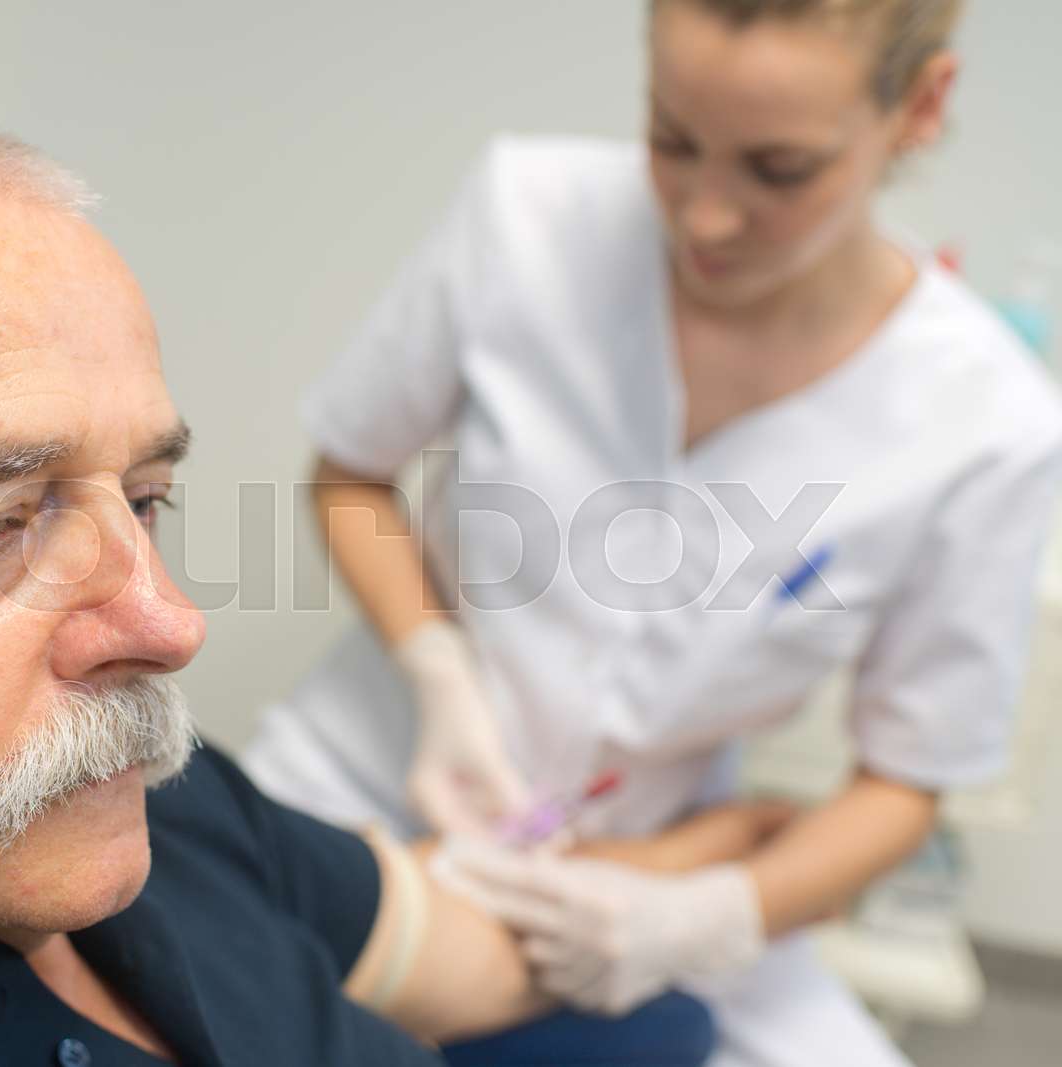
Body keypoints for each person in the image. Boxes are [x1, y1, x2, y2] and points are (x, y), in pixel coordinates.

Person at [0, 91, 753, 1067]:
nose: (166, 623)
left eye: (146, 498)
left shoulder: (131, 807)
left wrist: (734, 872)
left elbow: (480, 945)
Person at [242, 2, 1062, 1066]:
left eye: (778, 170)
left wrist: (709, 914)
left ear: (919, 106)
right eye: (672, 140)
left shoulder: (985, 421)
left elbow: (905, 779)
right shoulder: (526, 214)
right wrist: (437, 669)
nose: (704, 218)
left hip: (646, 879)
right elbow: (351, 475)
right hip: (353, 786)